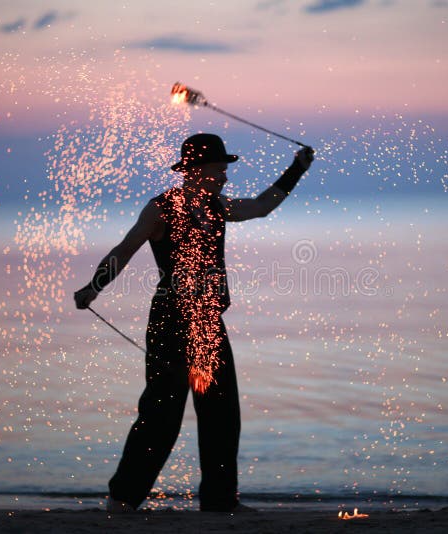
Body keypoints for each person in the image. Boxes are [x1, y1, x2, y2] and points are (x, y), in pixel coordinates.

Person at [74, 133, 314, 513]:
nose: (225, 178)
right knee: (161, 416)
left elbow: (262, 207)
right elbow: (125, 250)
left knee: (221, 414)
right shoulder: (161, 208)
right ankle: (122, 500)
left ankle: (220, 501)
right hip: (172, 321)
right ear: (197, 171)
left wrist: (296, 170)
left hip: (207, 324)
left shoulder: (216, 205)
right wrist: (94, 287)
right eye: (220, 170)